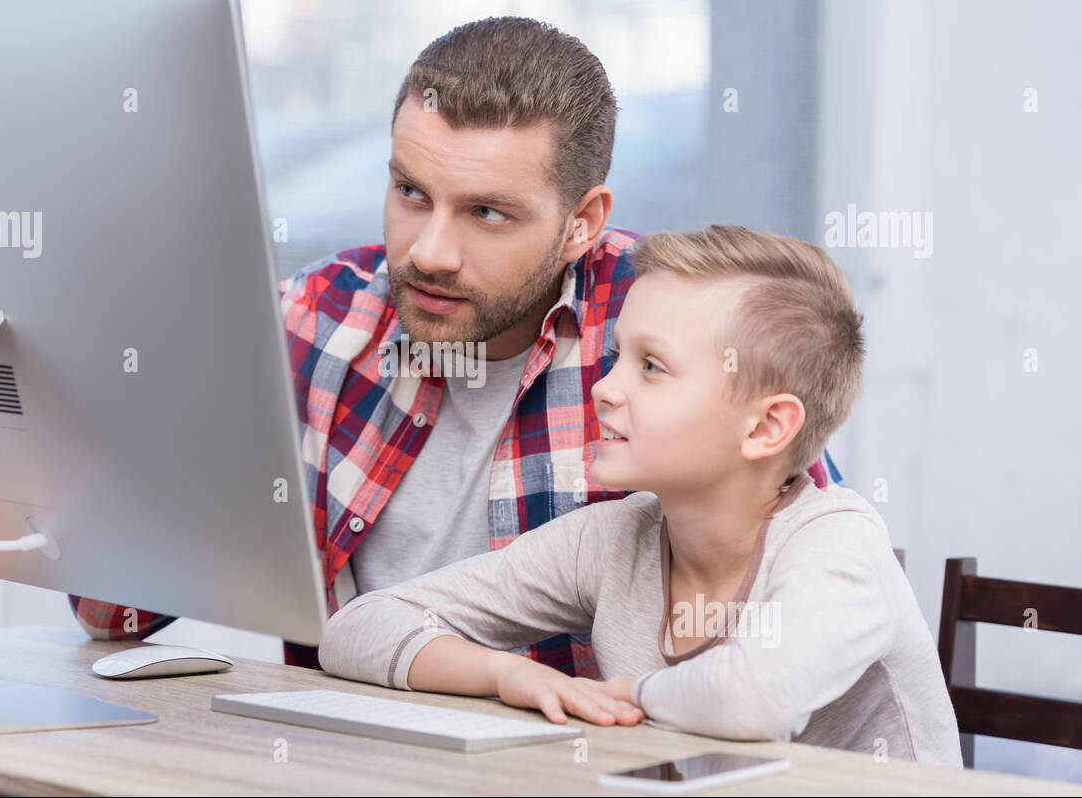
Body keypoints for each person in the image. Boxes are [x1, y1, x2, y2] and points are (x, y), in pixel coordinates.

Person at [70, 18, 840, 675]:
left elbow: (818, 602)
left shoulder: (677, 328)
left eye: (488, 213)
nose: (429, 252)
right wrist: (157, 444)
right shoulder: (313, 323)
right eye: (411, 193)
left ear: (584, 220)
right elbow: (111, 615)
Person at [318, 226, 963, 766]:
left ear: (766, 427)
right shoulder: (611, 540)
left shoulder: (839, 542)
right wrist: (507, 673)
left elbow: (755, 697)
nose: (605, 387)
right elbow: (356, 628)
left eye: (652, 367)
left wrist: (629, 693)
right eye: (619, 354)